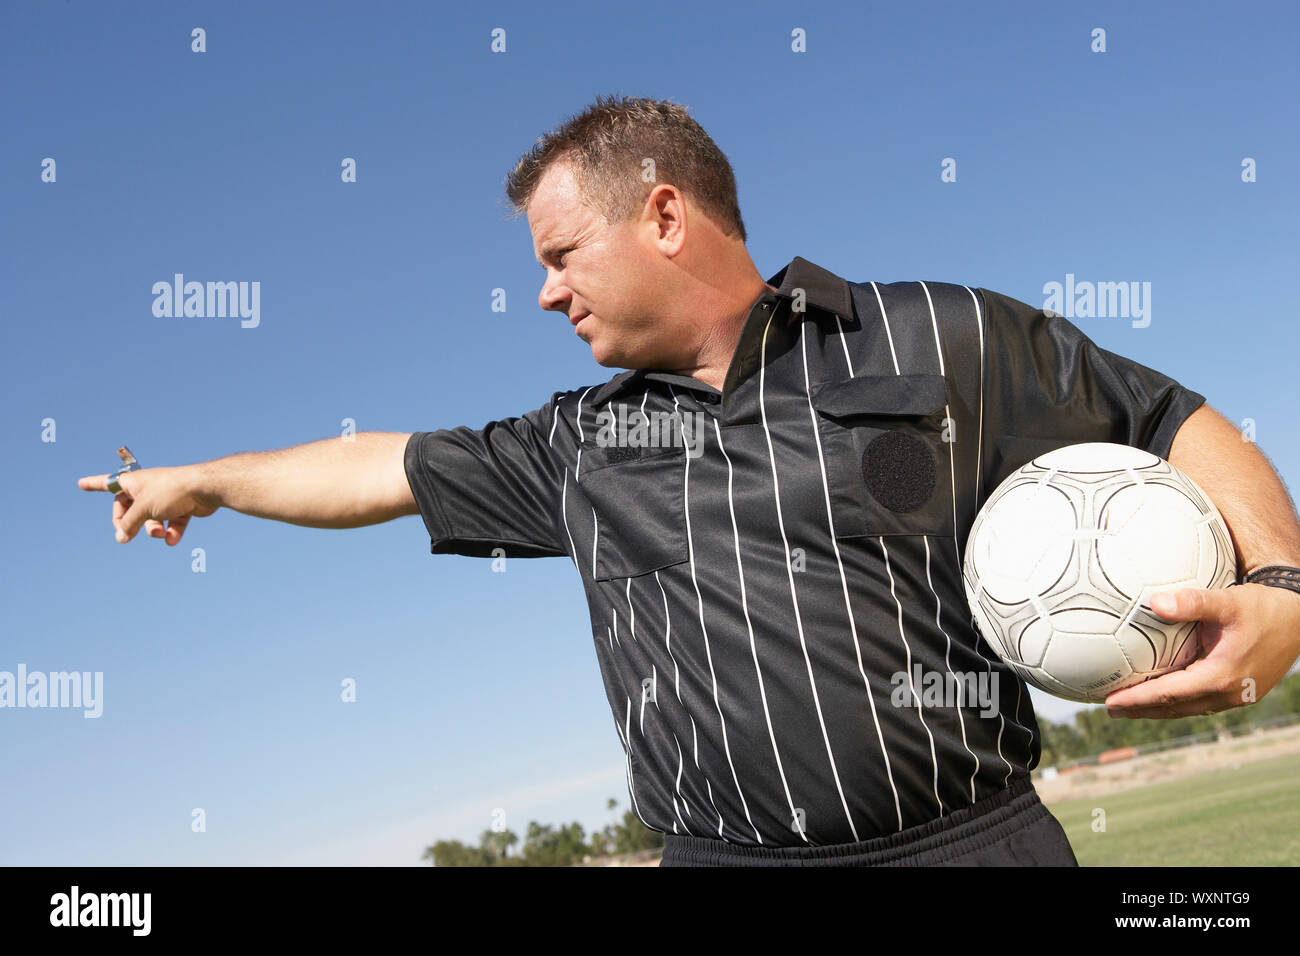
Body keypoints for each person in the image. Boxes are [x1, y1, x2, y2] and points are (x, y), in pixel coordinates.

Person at [79, 95, 1300, 867]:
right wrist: (210, 480)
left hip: (975, 842)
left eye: (561, 255)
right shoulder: (577, 442)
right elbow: (377, 465)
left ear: (663, 214)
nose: (545, 291)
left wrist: (1282, 589)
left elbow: (1169, 417)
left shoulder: (940, 336)